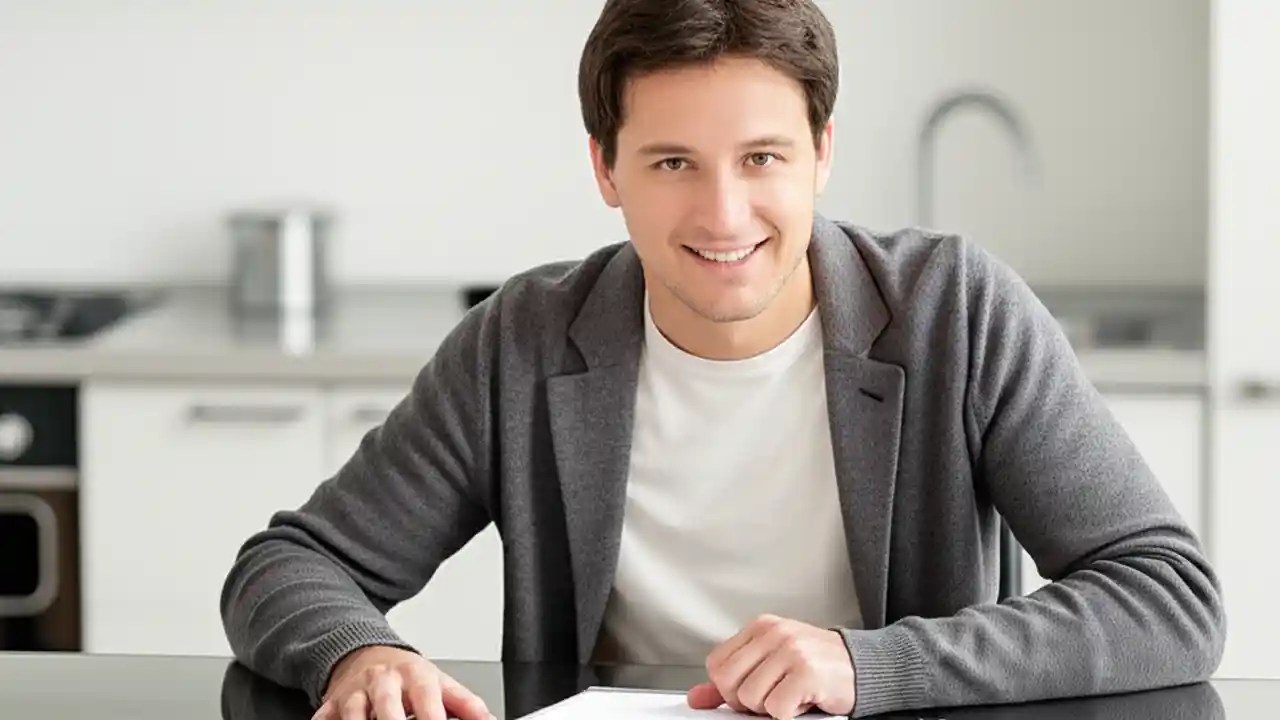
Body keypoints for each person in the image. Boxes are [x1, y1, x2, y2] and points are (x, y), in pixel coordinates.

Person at [220, 1, 1225, 719]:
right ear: (605, 168)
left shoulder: (954, 311)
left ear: (821, 153)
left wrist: (871, 667)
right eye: (672, 163)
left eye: (761, 158)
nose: (722, 214)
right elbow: (291, 565)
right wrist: (358, 652)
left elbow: (1167, 598)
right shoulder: (522, 340)